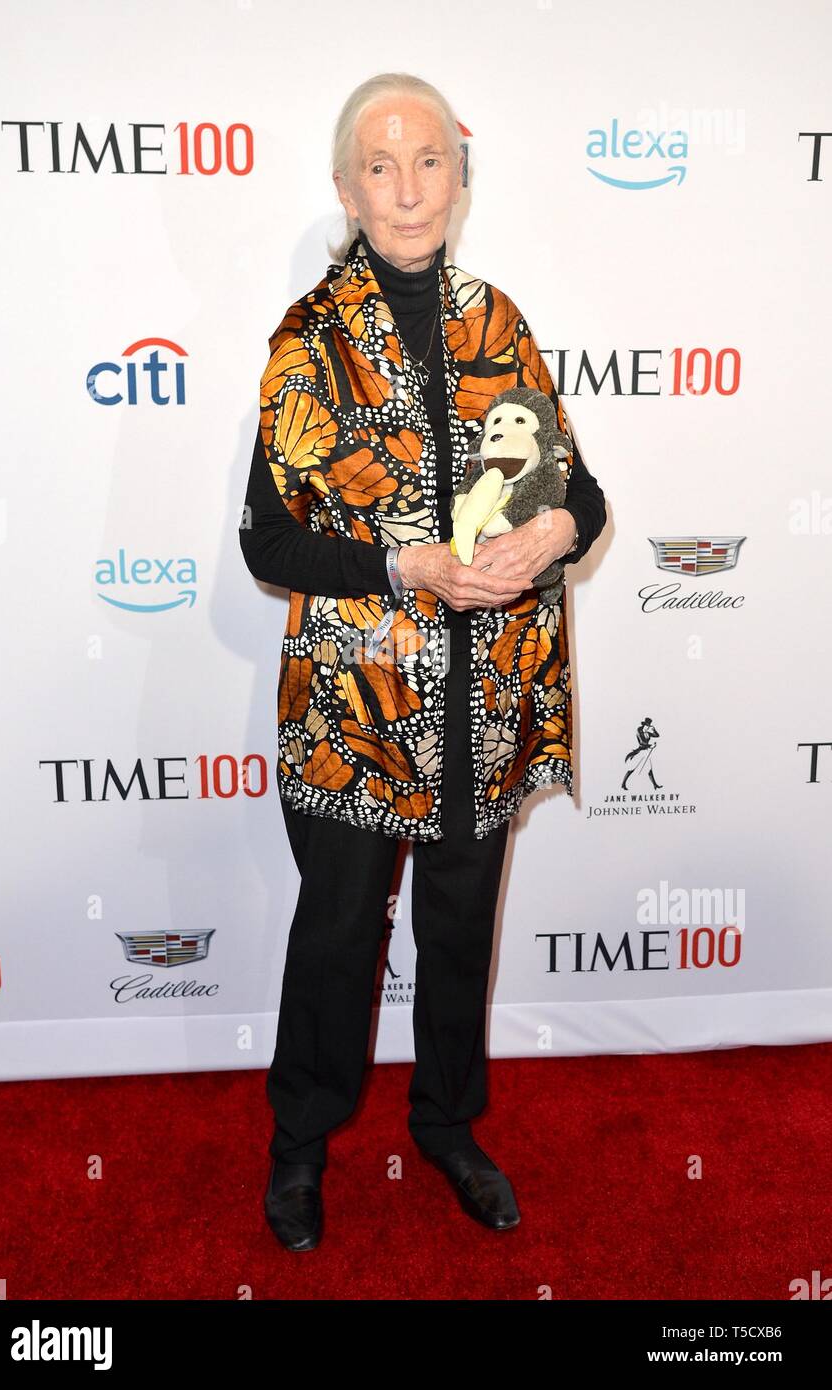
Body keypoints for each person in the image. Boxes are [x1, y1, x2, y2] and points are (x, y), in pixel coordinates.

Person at [239, 72, 606, 1251]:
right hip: (360, 703)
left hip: (486, 695)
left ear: (460, 174)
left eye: (431, 160)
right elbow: (267, 537)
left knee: (459, 925)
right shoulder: (305, 342)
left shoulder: (500, 321)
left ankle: (448, 1122)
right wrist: (402, 568)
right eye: (381, 167)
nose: (408, 189)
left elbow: (577, 492)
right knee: (340, 933)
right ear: (348, 189)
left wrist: (558, 529)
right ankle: (300, 1149)